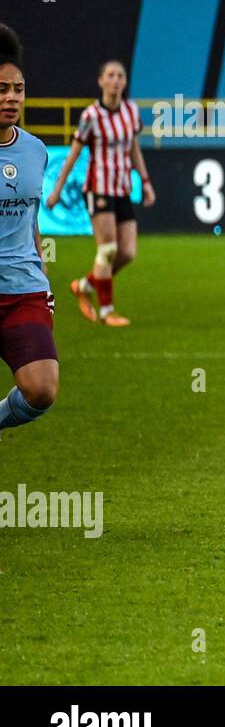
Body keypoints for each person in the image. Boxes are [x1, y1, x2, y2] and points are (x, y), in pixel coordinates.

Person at [44, 60, 155, 327]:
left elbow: (134, 148)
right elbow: (73, 154)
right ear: (101, 81)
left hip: (122, 189)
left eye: (120, 76)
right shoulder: (91, 116)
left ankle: (84, 285)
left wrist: (146, 181)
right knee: (107, 249)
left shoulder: (130, 112)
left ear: (125, 82)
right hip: (98, 189)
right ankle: (107, 312)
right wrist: (57, 189)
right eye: (110, 75)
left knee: (127, 253)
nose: (115, 80)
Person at [0, 23, 59, 440]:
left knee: (41, 389)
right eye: (2, 89)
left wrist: (42, 271)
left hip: (23, 289)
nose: (11, 98)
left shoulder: (35, 150)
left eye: (18, 89)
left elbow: (31, 217)